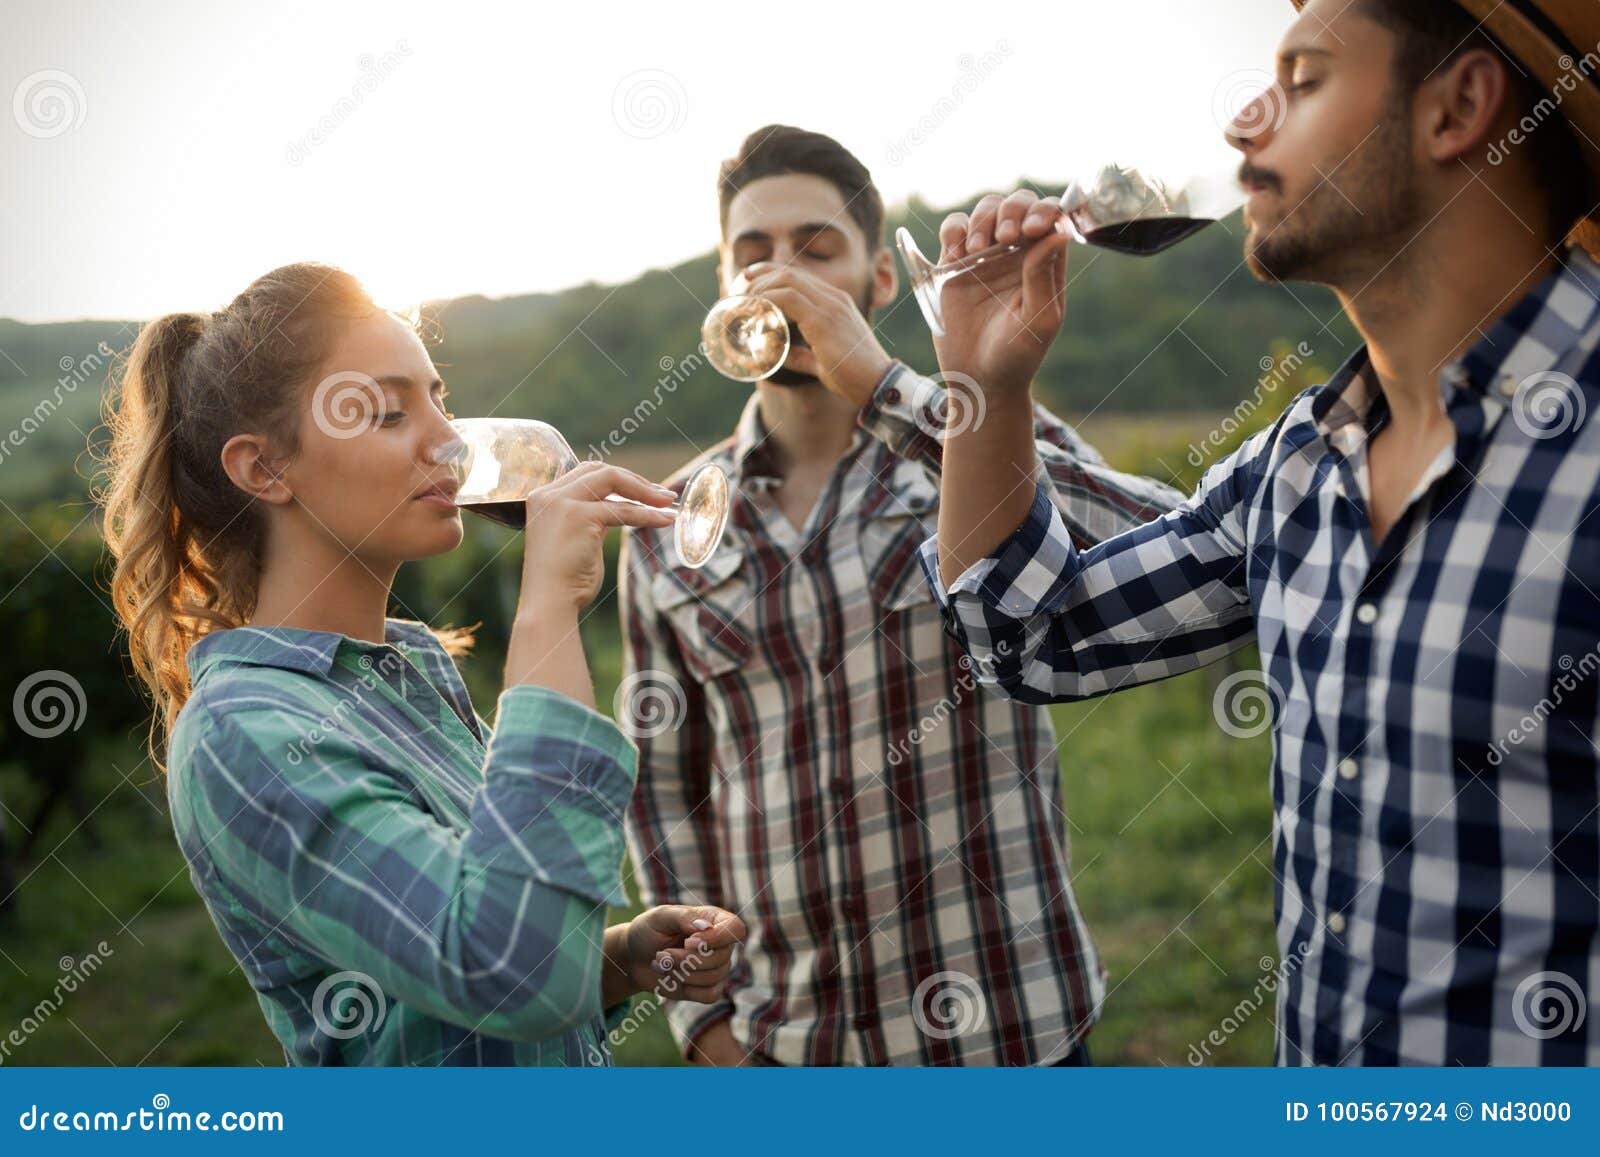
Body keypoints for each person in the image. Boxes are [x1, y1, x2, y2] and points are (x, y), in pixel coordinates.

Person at [922, 0, 1600, 1064]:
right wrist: (982, 383)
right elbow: (1029, 637)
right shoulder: (1294, 465)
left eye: (1302, 78)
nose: (1244, 124)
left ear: (1461, 107)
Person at [620, 126, 1182, 1065]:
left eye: (815, 248)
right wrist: (702, 1022)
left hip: (1009, 1022)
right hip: (786, 1046)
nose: (779, 274)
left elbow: (1153, 554)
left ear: (881, 280)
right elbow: (665, 790)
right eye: (751, 253)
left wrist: (905, 385)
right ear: (725, 283)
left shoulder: (976, 435)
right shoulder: (673, 521)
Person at [101, 262, 745, 1065]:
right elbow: (509, 971)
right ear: (264, 467)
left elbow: (479, 943)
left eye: (438, 398)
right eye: (387, 412)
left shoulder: (406, 676)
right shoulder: (244, 736)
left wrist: (614, 959)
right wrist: (548, 607)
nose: (447, 439)